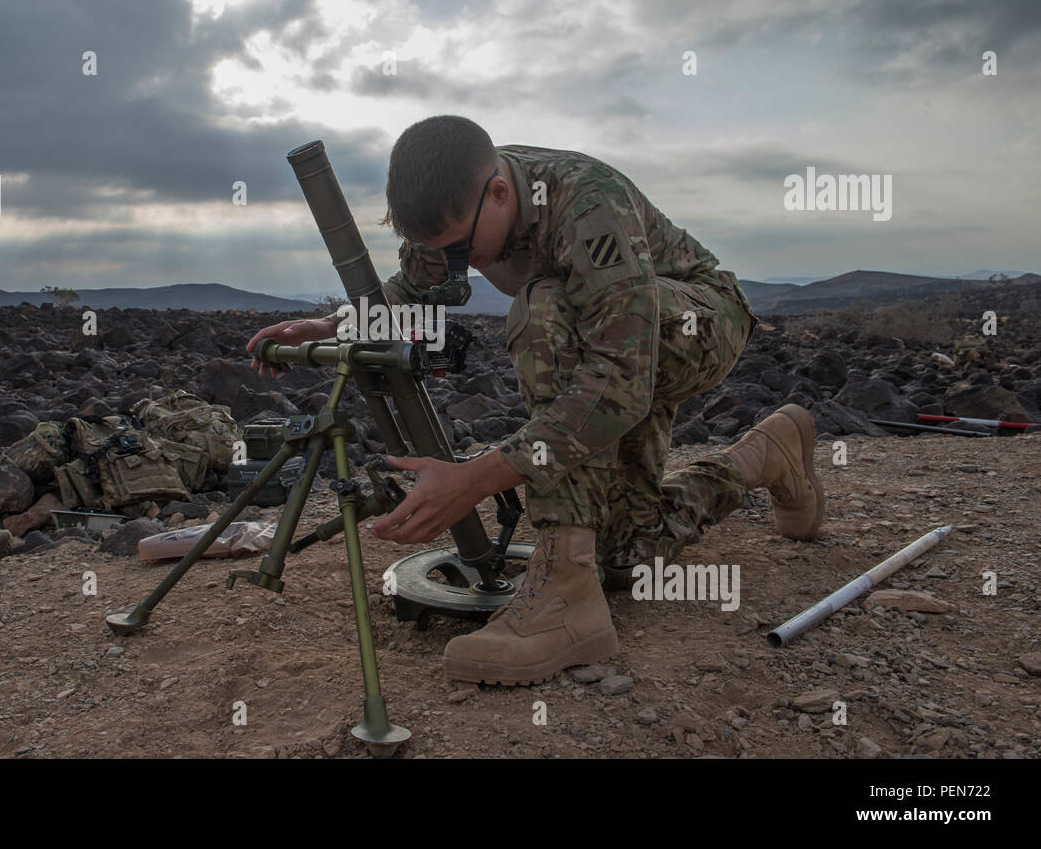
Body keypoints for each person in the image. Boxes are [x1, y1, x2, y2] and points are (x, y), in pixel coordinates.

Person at [245, 115, 824, 685]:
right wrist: (329, 326)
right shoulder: (453, 213)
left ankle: (566, 595)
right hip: (605, 349)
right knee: (627, 560)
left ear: (499, 193)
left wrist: (475, 478)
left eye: (461, 250)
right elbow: (412, 292)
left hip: (694, 326)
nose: (457, 266)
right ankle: (765, 454)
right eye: (437, 251)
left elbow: (620, 378)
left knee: (544, 303)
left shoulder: (586, 203)